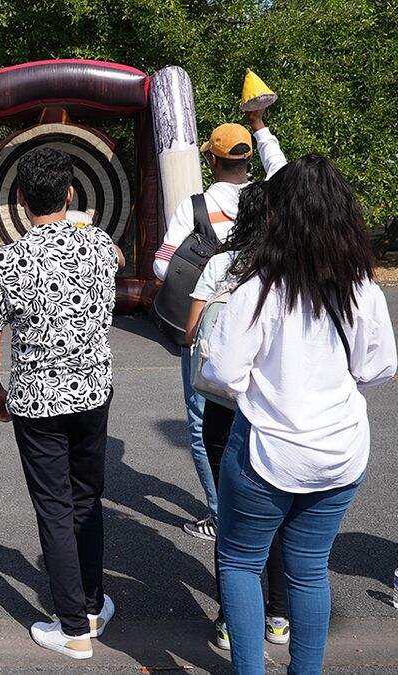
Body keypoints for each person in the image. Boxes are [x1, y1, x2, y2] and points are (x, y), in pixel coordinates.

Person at [204, 154, 398, 674]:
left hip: (266, 450)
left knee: (241, 563)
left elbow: (221, 376)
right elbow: (378, 369)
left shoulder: (256, 289)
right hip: (340, 450)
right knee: (309, 569)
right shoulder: (364, 290)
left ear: (276, 216)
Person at [0, 147, 119, 660]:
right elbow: (108, 252)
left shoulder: (8, 261)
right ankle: (93, 603)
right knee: (87, 499)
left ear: (19, 199)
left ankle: (72, 627)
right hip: (93, 390)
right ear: (71, 194)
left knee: (55, 509)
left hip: (37, 397)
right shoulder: (100, 243)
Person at [153, 108, 287, 542]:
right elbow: (282, 169)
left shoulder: (194, 206)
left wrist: (207, 277)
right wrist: (260, 124)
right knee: (258, 410)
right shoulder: (269, 199)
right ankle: (260, 507)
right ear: (247, 160)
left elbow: (162, 264)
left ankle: (219, 513)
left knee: (201, 419)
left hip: (208, 322)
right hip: (263, 318)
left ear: (211, 160)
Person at [184, 182, 288, 651]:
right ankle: (279, 617)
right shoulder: (293, 267)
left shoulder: (220, 265)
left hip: (226, 407)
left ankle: (229, 621)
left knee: (232, 515)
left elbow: (190, 332)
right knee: (282, 515)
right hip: (276, 406)